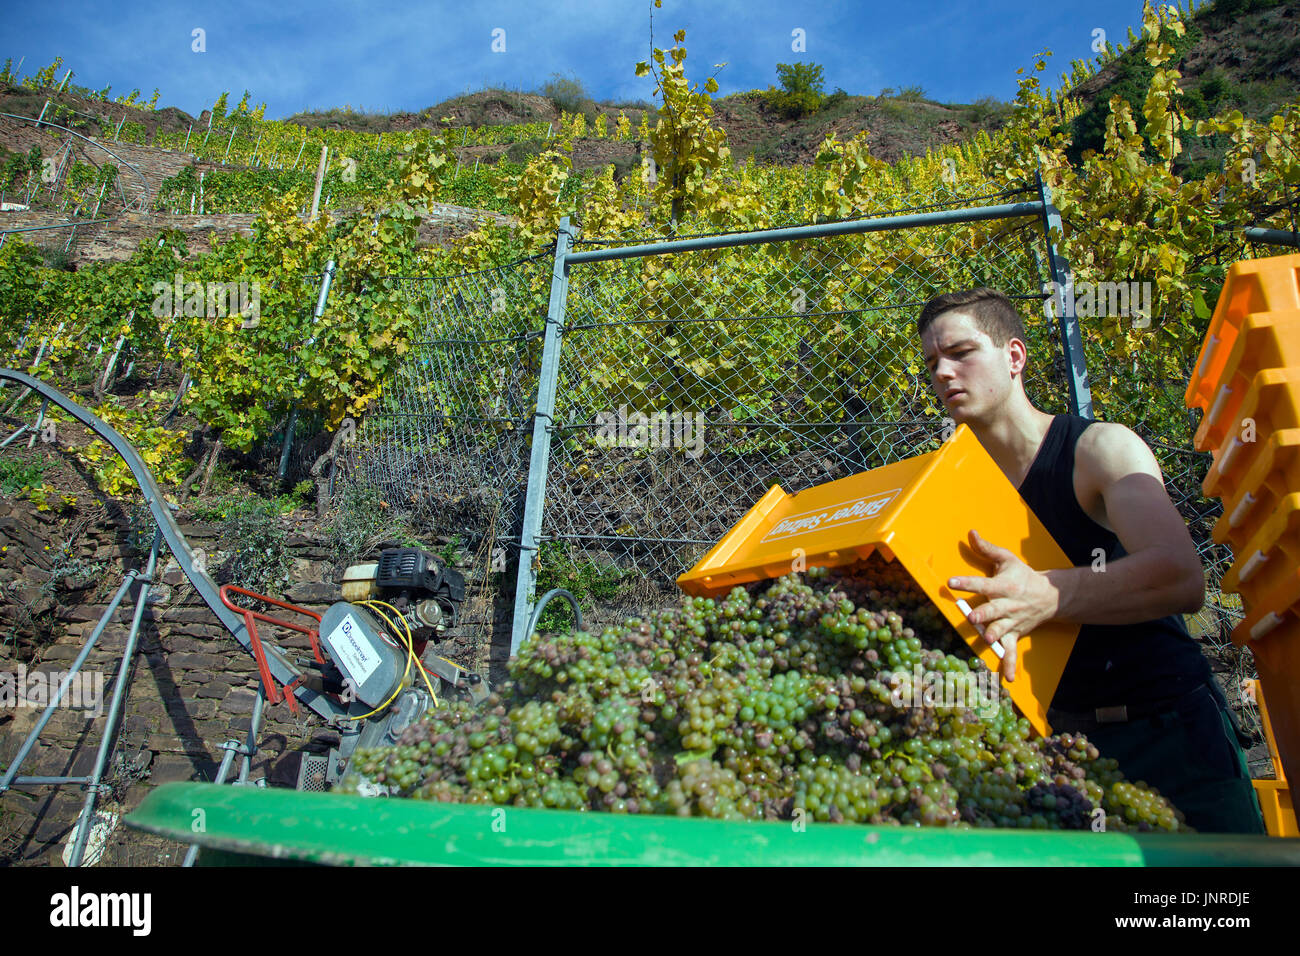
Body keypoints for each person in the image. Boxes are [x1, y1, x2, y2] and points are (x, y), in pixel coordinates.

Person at [917, 286, 1265, 834]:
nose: (942, 372)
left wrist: (1048, 595)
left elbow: (1180, 575)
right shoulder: (952, 489)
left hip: (1171, 733)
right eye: (932, 362)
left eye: (961, 353)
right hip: (1059, 751)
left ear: (1013, 357)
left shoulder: (1101, 449)